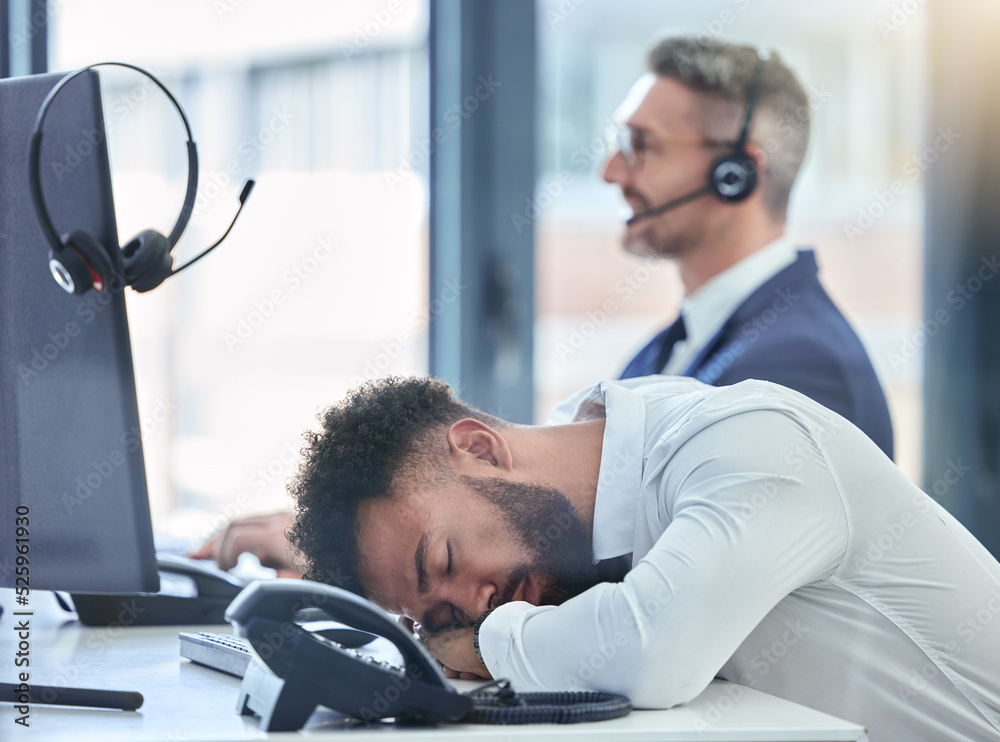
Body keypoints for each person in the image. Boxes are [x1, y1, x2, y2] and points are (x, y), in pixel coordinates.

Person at [200, 375, 1000, 741]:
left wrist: (473, 644)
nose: (477, 602)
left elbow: (655, 650)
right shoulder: (583, 481)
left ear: (480, 448)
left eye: (445, 557)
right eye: (440, 612)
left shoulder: (753, 441)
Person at [603, 37, 894, 459]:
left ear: (735, 174)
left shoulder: (798, 369)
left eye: (640, 145)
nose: (610, 173)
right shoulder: (668, 347)